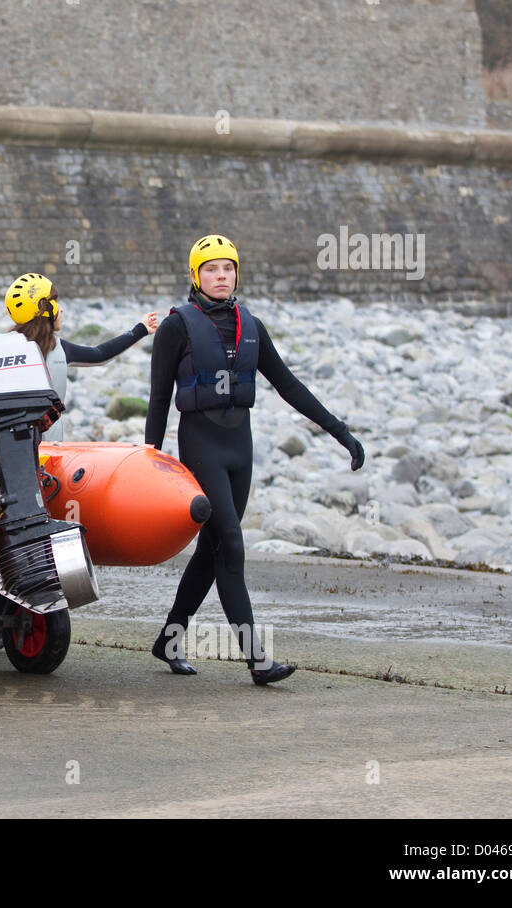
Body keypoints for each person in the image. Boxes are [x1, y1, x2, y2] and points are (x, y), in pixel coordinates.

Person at [146, 234, 364, 685]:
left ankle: (168, 638)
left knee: (213, 549)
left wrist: (340, 431)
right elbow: (159, 398)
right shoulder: (176, 327)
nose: (220, 276)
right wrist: (151, 459)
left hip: (240, 451)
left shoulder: (252, 325)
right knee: (232, 543)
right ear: (195, 276)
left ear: (237, 274)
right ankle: (257, 660)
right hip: (201, 445)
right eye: (211, 269)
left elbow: (289, 385)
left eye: (227, 268)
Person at [0, 273, 158, 646]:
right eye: (57, 301)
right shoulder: (2, 351)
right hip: (14, 456)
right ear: (46, 308)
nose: (63, 308)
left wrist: (140, 329)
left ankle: (18, 609)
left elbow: (99, 354)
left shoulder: (59, 348)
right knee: (15, 533)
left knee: (33, 534)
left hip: (50, 454)